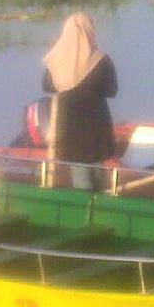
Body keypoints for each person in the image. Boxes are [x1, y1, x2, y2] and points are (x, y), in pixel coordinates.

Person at [41, 11, 117, 190]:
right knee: (98, 173)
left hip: (69, 126)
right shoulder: (101, 61)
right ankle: (99, 207)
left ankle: (85, 210)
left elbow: (47, 86)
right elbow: (111, 91)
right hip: (96, 124)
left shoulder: (56, 61)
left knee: (80, 174)